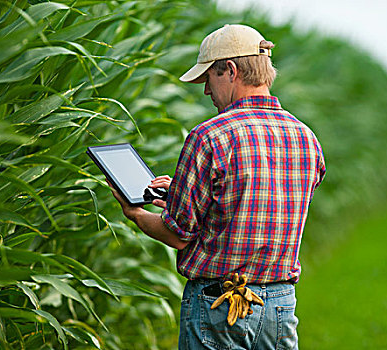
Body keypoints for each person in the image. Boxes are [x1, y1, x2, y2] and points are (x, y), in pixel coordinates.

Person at [110, 24, 325, 349]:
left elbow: (177, 234)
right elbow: (259, 202)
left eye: (208, 78)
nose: (206, 91)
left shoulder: (209, 137)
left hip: (219, 307)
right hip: (281, 306)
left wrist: (135, 213)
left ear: (231, 71)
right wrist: (183, 193)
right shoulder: (306, 139)